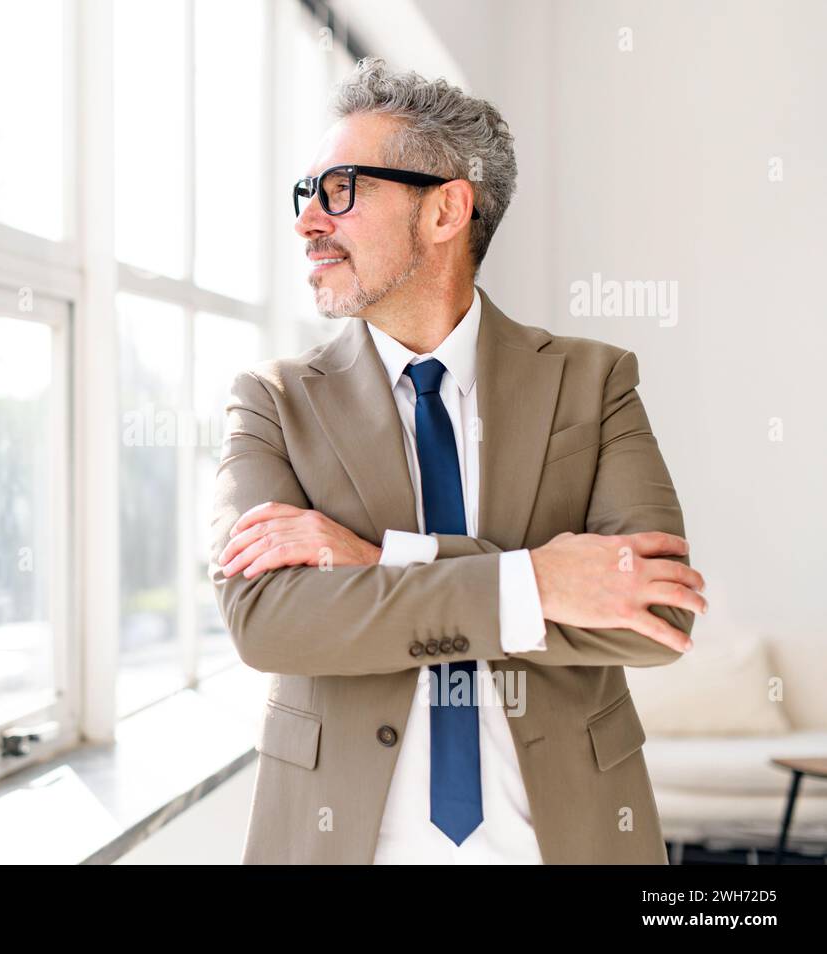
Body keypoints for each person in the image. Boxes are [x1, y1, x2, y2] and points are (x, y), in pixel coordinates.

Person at [209, 58, 705, 864]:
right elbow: (270, 623)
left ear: (446, 208)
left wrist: (386, 562)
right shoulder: (272, 401)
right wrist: (539, 584)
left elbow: (656, 617)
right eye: (305, 196)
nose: (308, 222)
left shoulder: (594, 380)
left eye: (342, 191)